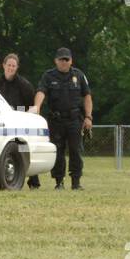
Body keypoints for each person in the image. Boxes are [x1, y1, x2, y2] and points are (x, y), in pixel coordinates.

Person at [32, 47, 93, 190]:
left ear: (71, 60)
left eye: (67, 59)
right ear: (56, 61)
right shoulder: (48, 76)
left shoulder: (78, 75)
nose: (64, 62)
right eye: (61, 59)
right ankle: (59, 182)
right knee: (58, 152)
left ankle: (76, 183)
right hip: (56, 120)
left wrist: (88, 117)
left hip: (74, 119)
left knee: (75, 151)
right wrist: (37, 107)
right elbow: (41, 92)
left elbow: (87, 96)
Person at [0, 53, 41, 189]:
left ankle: (34, 181)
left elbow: (33, 107)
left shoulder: (24, 85)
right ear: (3, 65)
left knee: (24, 150)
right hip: (4, 125)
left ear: (17, 67)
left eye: (14, 66)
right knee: (5, 152)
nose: (11, 68)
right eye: (9, 65)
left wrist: (27, 119)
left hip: (21, 124)